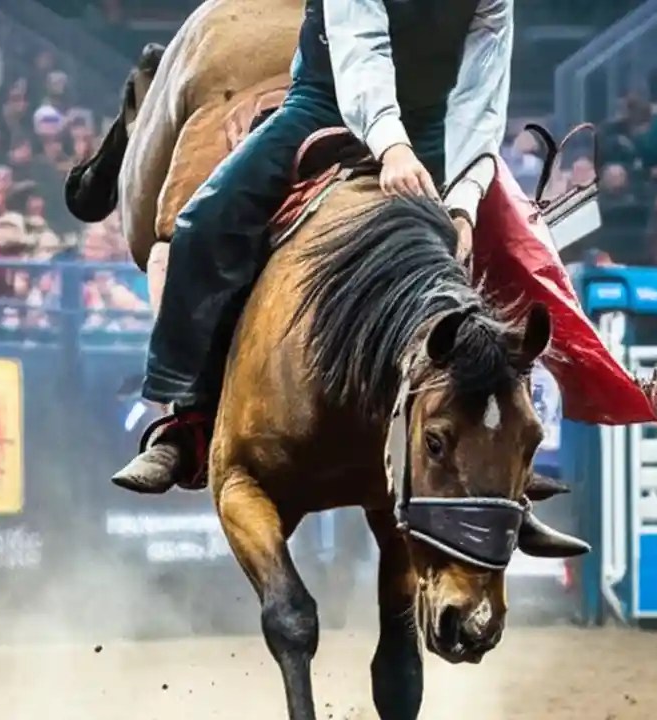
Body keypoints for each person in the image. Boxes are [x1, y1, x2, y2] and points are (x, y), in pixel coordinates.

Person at [114, 0, 514, 493]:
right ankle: (187, 421)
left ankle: (504, 443)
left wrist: (464, 203)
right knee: (204, 223)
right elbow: (360, 50)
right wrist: (392, 149)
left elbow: (483, 92)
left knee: (505, 251)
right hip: (325, 103)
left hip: (429, 126)